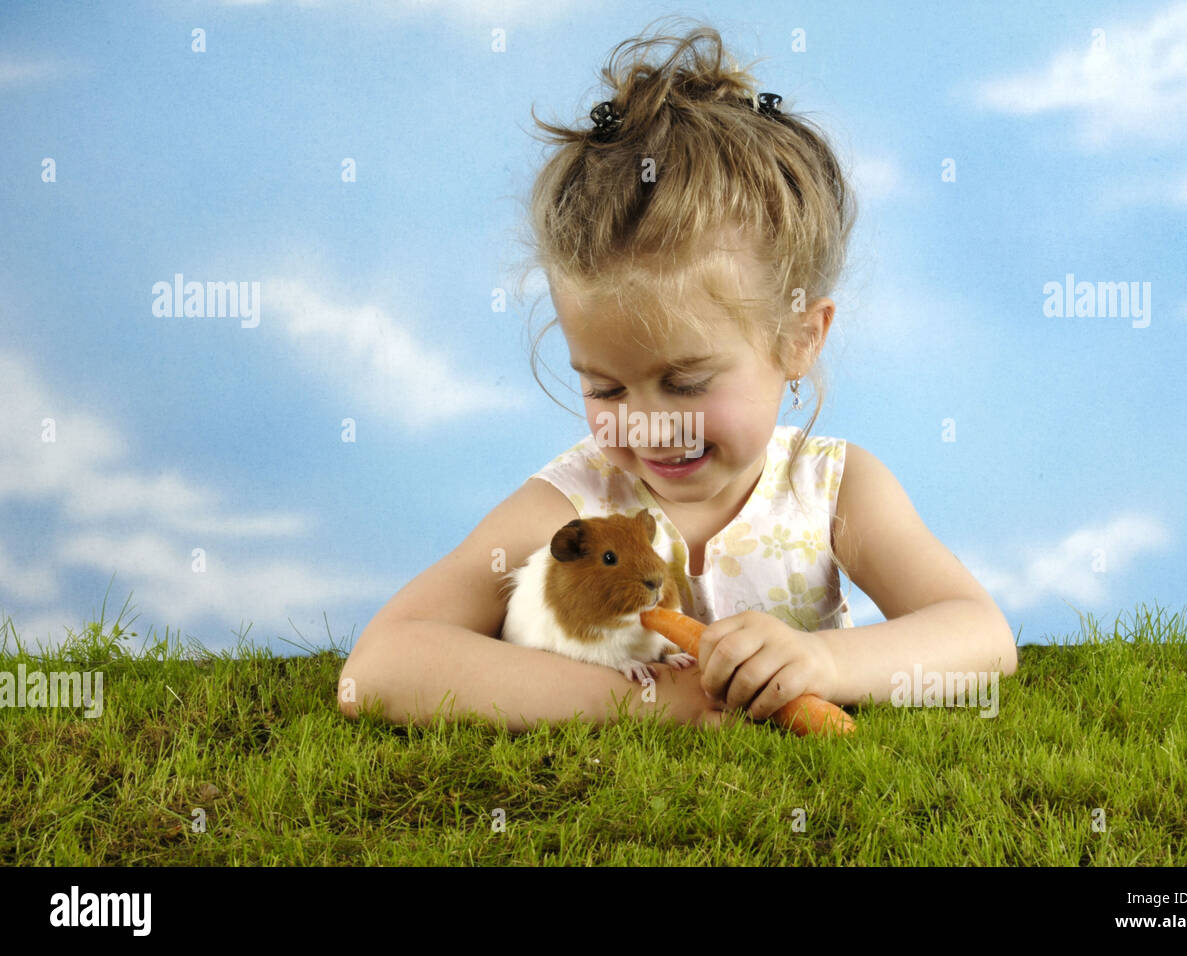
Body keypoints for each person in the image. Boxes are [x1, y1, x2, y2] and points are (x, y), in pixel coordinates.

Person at [339, 17, 1016, 733]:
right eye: (605, 388)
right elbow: (381, 665)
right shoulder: (575, 507)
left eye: (686, 383)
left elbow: (981, 637)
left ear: (799, 340)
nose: (646, 424)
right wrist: (646, 701)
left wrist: (825, 664)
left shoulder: (832, 490)